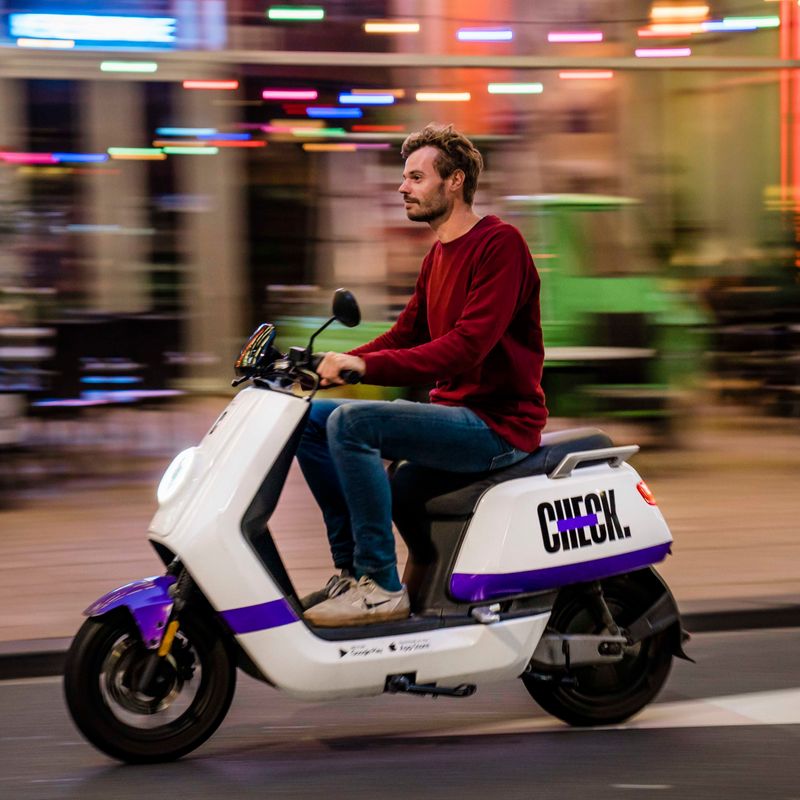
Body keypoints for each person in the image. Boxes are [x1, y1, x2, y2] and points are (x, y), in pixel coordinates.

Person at [297, 123, 547, 627]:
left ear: (454, 182)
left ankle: (382, 586)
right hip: (456, 417)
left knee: (351, 424)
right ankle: (352, 572)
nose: (402, 187)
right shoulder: (437, 256)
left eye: (415, 177)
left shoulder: (501, 244)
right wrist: (332, 365)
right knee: (309, 421)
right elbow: (404, 336)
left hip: (497, 425)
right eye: (404, 178)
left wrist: (366, 367)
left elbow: (465, 347)